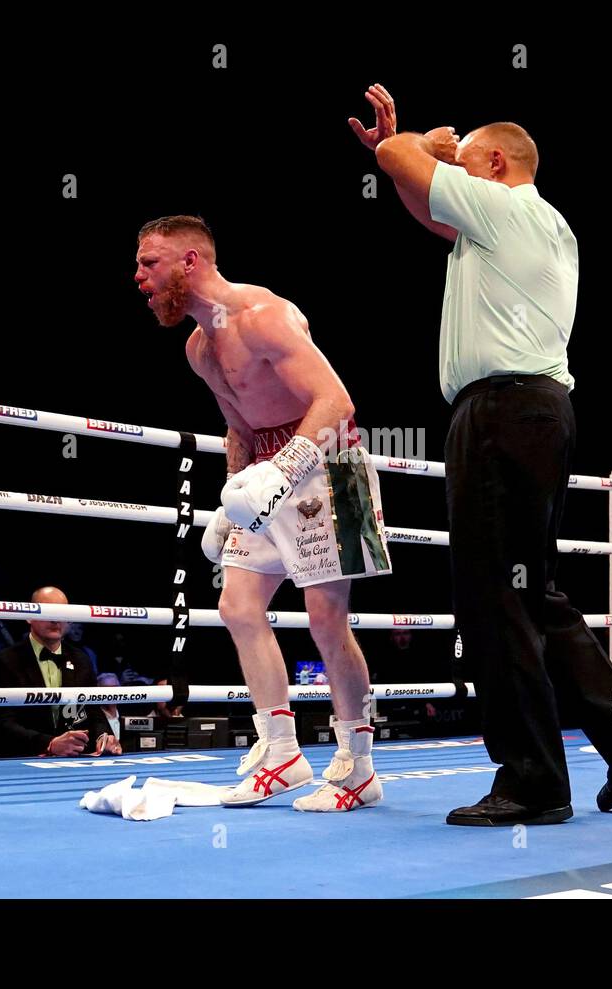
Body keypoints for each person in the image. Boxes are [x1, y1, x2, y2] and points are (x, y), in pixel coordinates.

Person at [362, 85, 612, 826]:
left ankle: (534, 777)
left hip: (504, 410)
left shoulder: (504, 208)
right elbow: (422, 202)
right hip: (532, 410)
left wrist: (418, 145)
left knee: (494, 597)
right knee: (531, 591)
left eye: (467, 162)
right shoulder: (529, 224)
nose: (454, 173)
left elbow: (412, 166)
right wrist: (401, 159)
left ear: (494, 163)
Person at [135, 214, 393, 812]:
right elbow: (240, 423)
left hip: (331, 464)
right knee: (236, 606)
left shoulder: (264, 315)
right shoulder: (199, 348)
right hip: (266, 474)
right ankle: (281, 750)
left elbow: (337, 401)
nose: (140, 277)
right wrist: (230, 500)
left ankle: (359, 765)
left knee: (326, 621)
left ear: (190, 261)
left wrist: (284, 469)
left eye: (150, 262)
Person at [0, 587, 120, 758]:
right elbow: (0, 722)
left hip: (73, 760)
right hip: (23, 759)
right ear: (29, 616)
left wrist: (103, 737)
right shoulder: (4, 661)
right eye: (48, 611)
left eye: (61, 612)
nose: (56, 619)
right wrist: (49, 743)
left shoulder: (80, 659)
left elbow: (92, 710)